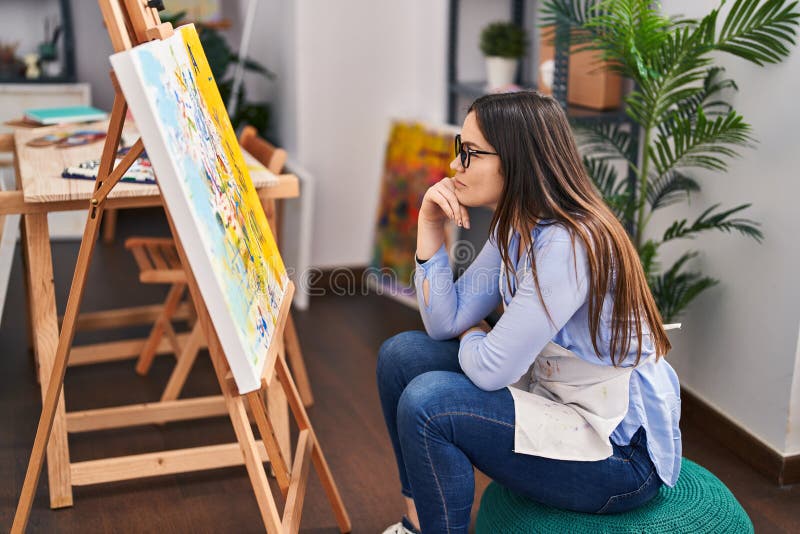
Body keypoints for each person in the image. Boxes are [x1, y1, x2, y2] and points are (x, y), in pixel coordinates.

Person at [377, 91, 681, 534]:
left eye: (472, 153)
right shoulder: (516, 225)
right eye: (458, 150)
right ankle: (418, 524)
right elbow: (445, 322)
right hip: (554, 395)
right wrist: (429, 227)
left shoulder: (567, 243)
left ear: (517, 159)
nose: (455, 167)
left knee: (429, 403)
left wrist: (473, 335)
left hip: (618, 455)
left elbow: (489, 370)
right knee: (401, 355)